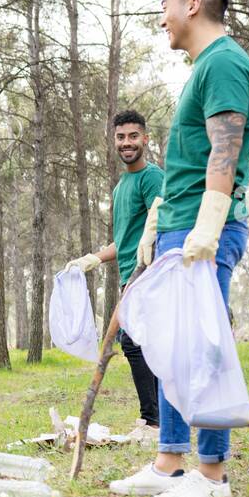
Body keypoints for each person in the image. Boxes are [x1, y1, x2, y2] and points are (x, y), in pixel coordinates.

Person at [109, 0, 249, 497]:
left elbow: (225, 150)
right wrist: (159, 222)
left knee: (202, 345)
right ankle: (170, 462)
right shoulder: (201, 68)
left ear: (193, 5)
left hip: (204, 230)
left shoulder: (224, 62)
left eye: (167, 5)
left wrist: (207, 227)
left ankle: (213, 473)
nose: (162, 18)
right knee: (172, 346)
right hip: (180, 224)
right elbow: (192, 159)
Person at [65, 108, 165, 443]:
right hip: (129, 275)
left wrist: (146, 267)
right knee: (139, 345)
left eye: (133, 136)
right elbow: (123, 240)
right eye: (121, 137)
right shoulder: (122, 186)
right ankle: (155, 420)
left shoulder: (151, 177)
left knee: (136, 344)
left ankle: (154, 423)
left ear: (145, 139)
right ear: (114, 140)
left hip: (148, 273)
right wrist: (92, 259)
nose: (127, 143)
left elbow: (161, 220)